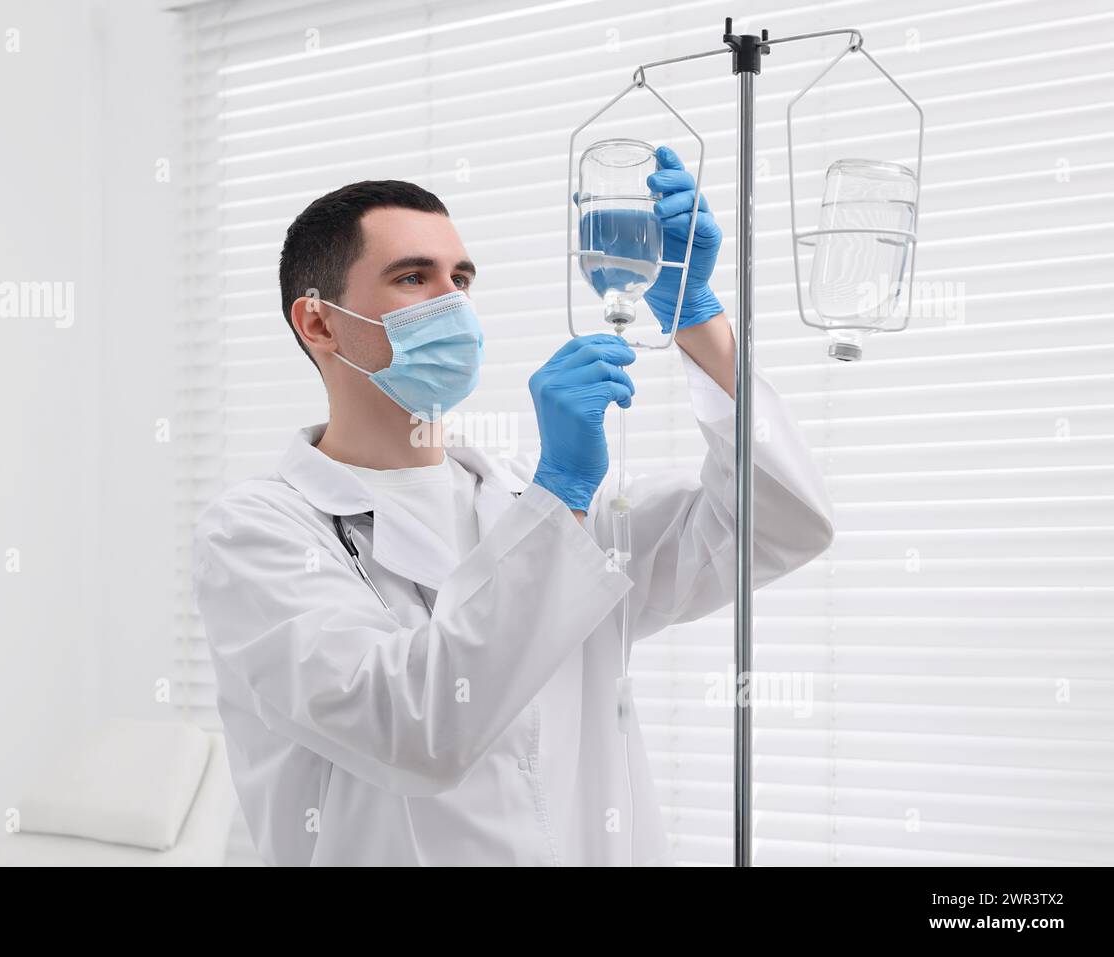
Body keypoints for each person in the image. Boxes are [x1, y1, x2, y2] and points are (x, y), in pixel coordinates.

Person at [192, 147, 834, 866]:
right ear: (319, 324)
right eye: (414, 278)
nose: (454, 302)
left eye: (461, 278)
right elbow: (414, 730)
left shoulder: (539, 500)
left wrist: (697, 319)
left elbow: (780, 522)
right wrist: (559, 495)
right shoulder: (255, 532)